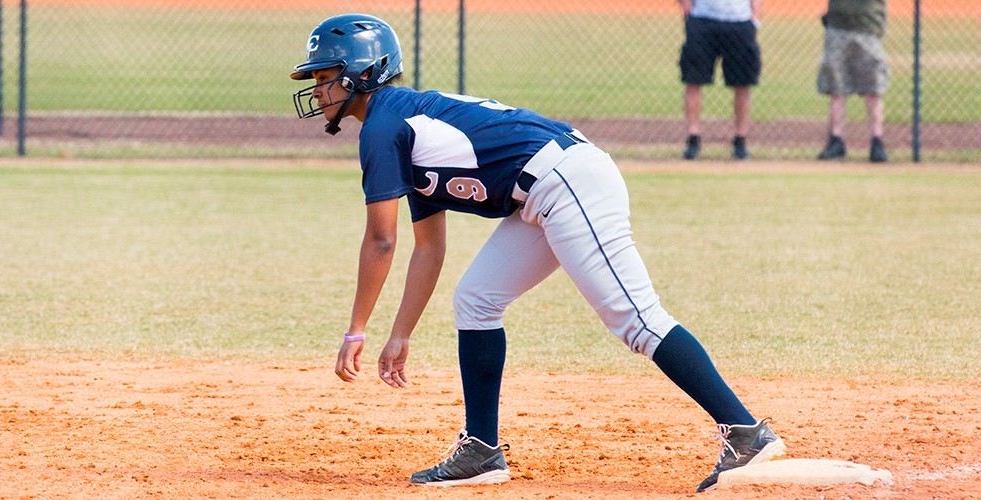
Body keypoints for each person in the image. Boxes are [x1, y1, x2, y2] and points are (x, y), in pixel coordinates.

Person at [291, 13, 785, 493]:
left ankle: (744, 432)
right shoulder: (403, 124)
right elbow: (429, 248)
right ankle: (481, 450)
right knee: (477, 298)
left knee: (635, 318)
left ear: (363, 73)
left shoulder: (383, 126)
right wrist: (399, 334)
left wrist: (356, 329)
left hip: (568, 181)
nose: (316, 88)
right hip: (545, 193)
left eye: (325, 75)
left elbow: (382, 240)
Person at [678, 0, 763, 160]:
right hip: (702, 19)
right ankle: (693, 139)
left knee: (742, 83)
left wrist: (755, 18)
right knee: (693, 80)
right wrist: (687, 8)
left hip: (740, 20)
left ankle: (740, 140)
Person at [816, 0, 889, 163]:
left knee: (873, 89)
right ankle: (836, 140)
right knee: (837, 88)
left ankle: (877, 141)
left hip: (868, 26)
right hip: (838, 26)